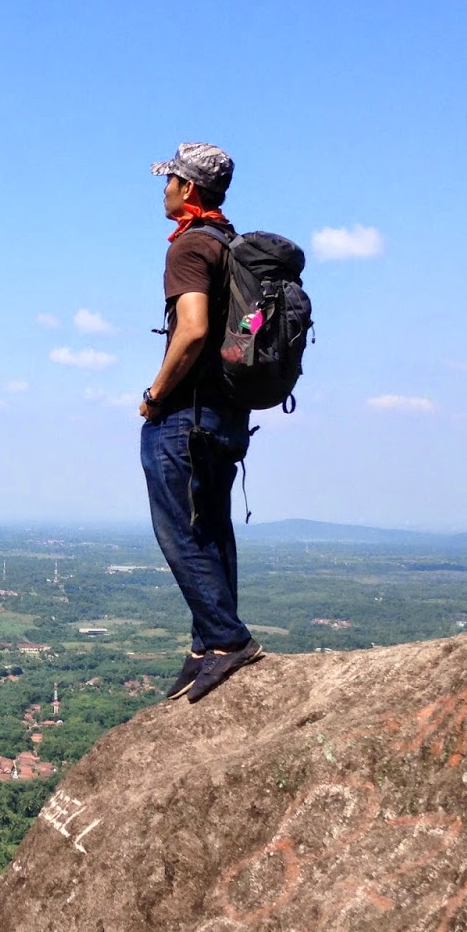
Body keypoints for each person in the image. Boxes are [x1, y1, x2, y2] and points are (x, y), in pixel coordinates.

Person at [139, 142, 262, 703]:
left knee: (180, 531)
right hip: (229, 415)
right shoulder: (233, 246)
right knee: (212, 528)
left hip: (185, 417)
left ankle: (227, 640)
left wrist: (155, 395)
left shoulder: (190, 245)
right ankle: (205, 645)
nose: (164, 189)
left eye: (169, 180)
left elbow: (192, 329)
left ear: (187, 188)